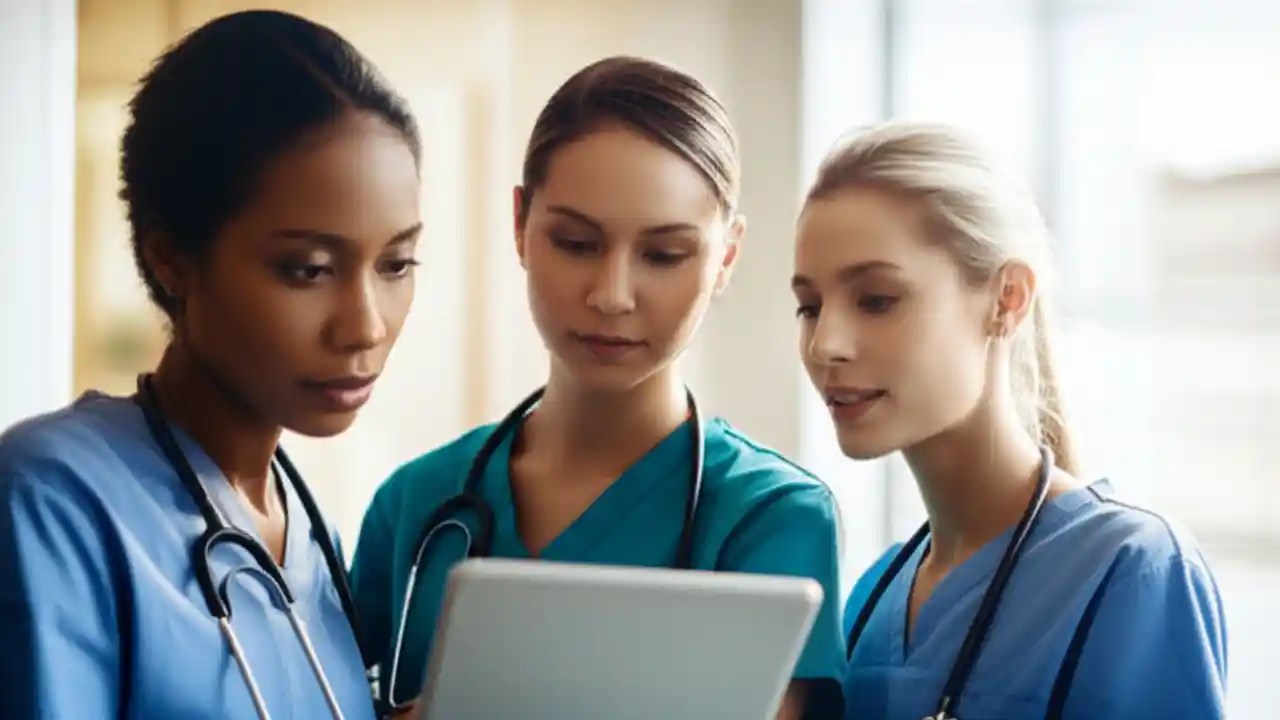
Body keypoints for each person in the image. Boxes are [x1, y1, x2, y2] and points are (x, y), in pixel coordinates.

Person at [349, 56, 846, 719]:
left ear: (726, 255)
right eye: (577, 243)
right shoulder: (416, 505)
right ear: (521, 224)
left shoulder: (772, 517)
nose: (612, 296)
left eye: (664, 255)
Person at [0, 10, 423, 719]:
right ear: (172, 257)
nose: (367, 325)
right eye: (308, 269)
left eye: (397, 263)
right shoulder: (53, 501)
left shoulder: (313, 542)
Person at [791, 120, 1228, 718]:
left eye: (876, 300)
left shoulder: (1131, 569)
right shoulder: (870, 599)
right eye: (809, 307)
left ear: (1007, 299)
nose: (825, 345)